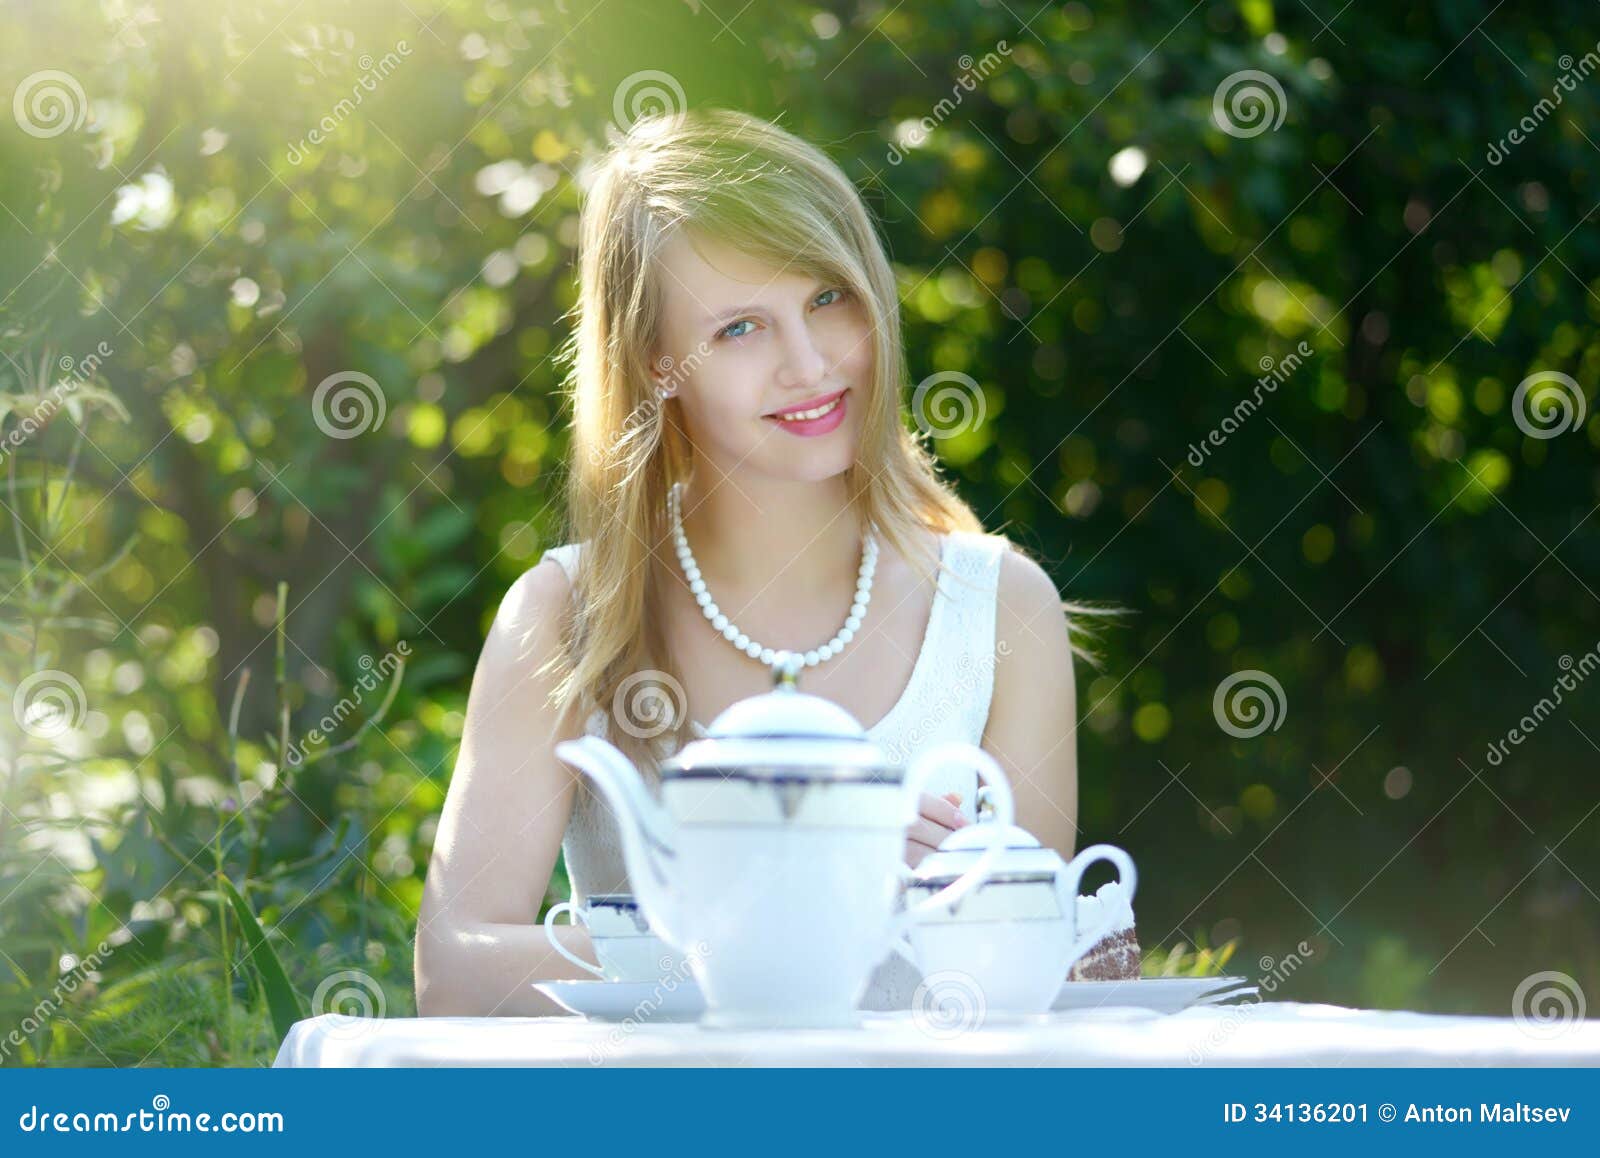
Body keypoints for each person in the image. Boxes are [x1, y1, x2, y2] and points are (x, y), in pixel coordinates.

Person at [415, 108, 1107, 1016]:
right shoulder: (564, 613)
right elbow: (454, 977)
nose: (811, 363)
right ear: (655, 363)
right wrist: (780, 902)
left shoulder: (1003, 609)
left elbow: (1025, 992)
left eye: (828, 298)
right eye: (740, 329)